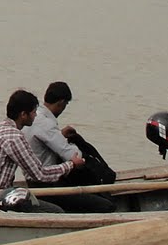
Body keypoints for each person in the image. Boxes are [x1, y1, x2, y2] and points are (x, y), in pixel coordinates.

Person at [0, 89, 80, 213]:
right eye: (33, 112)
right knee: (57, 211)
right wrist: (70, 164)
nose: (35, 116)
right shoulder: (14, 137)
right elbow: (40, 175)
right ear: (23, 115)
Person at [26, 82, 115, 212]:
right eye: (65, 105)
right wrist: (76, 145)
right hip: (47, 186)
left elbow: (46, 139)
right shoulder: (45, 123)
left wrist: (60, 135)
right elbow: (73, 156)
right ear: (61, 103)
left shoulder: (35, 117)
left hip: (34, 182)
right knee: (106, 206)